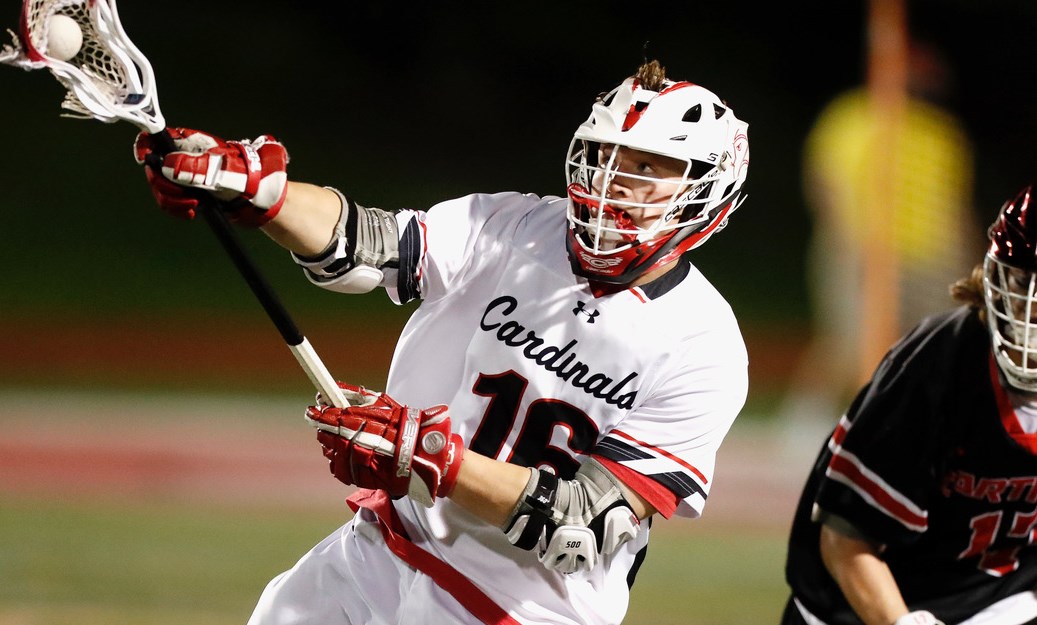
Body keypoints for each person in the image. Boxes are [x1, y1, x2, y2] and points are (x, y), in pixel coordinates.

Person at [133, 59, 751, 625]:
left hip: (519, 607)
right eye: (604, 158)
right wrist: (260, 194)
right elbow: (365, 243)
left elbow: (583, 520)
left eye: (645, 169)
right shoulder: (513, 227)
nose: (612, 184)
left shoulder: (703, 345)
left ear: (708, 188)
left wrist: (430, 455)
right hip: (384, 547)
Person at [780, 184, 1037, 625]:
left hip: (1002, 603)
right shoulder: (941, 365)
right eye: (1025, 283)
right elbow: (846, 542)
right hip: (866, 606)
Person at [779, 39, 979, 427]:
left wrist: (970, 258)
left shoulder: (942, 133)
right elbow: (824, 181)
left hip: (932, 255)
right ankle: (806, 416)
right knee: (850, 337)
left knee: (940, 341)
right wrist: (845, 239)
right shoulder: (852, 116)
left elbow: (955, 203)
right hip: (861, 246)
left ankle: (924, 422)